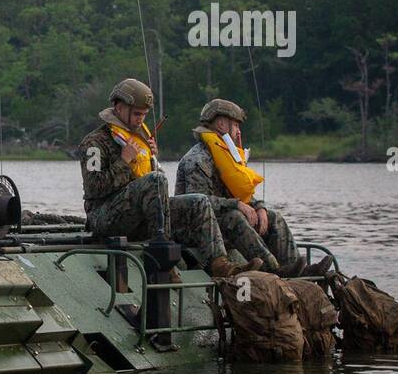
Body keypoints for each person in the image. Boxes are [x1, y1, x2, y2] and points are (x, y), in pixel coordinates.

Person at [78, 78, 261, 278]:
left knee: (198, 201)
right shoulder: (94, 143)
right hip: (104, 219)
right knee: (155, 180)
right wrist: (124, 161)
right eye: (137, 114)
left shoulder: (139, 140)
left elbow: (156, 188)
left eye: (144, 115)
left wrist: (152, 159)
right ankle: (163, 257)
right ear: (119, 108)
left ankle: (219, 263)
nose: (141, 119)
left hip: (137, 216)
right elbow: (93, 188)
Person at [175, 99, 330, 278]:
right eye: (236, 125)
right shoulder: (198, 159)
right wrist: (237, 205)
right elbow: (198, 201)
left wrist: (259, 207)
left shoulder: (226, 157)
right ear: (221, 124)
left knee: (273, 217)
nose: (239, 131)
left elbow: (241, 191)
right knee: (234, 217)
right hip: (196, 228)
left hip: (220, 220)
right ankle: (273, 271)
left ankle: (298, 270)